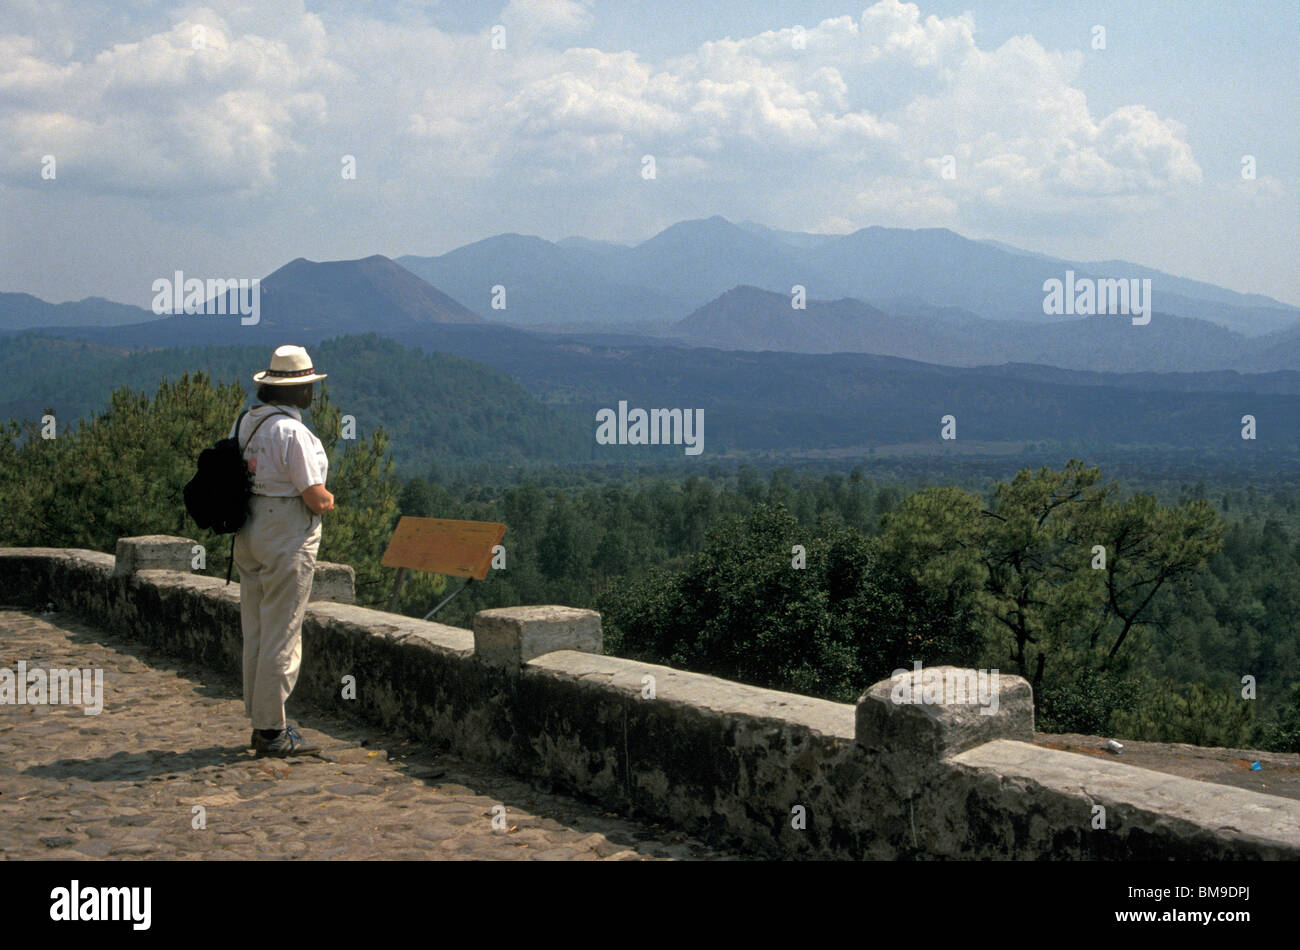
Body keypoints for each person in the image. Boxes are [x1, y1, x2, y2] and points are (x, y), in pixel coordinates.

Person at [231, 344, 335, 756]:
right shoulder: (293, 433)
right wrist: (329, 502)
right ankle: (273, 731)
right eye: (308, 385)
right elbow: (313, 495)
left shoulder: (247, 423)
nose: (312, 392)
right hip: (285, 532)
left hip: (250, 529)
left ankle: (261, 721)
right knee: (284, 634)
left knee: (256, 629)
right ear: (295, 392)